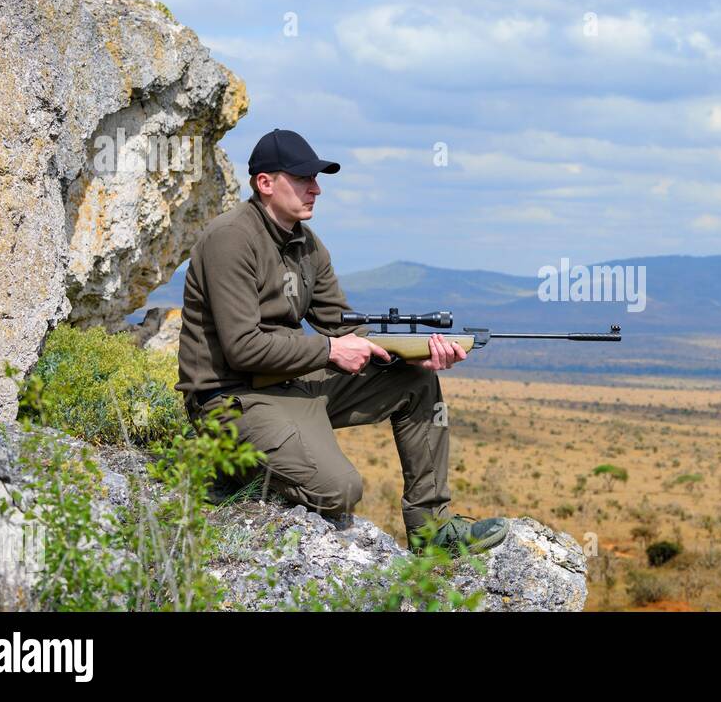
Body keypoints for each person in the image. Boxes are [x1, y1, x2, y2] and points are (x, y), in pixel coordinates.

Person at [175, 128, 507, 554]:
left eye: (317, 179)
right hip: (230, 397)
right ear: (265, 183)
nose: (316, 189)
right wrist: (330, 351)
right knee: (340, 490)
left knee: (414, 381)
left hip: (286, 381)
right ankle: (223, 469)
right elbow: (244, 347)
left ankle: (432, 532)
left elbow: (341, 325)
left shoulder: (307, 244)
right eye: (303, 179)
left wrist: (415, 354)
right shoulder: (231, 239)